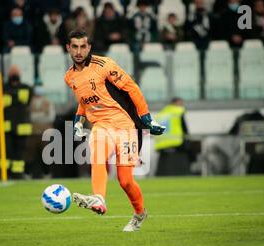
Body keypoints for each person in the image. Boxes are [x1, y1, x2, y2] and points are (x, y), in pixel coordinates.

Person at [63, 30, 165, 232]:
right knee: (97, 155)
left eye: (83, 46)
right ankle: (99, 198)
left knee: (125, 181)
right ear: (68, 48)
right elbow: (84, 102)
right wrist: (78, 119)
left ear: (89, 47)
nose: (79, 51)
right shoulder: (70, 77)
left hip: (126, 125)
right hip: (101, 125)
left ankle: (139, 213)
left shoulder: (104, 65)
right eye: (74, 46)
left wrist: (145, 118)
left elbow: (132, 88)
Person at [1, 65, 33, 179]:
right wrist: (17, 98)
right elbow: (1, 102)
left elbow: (26, 100)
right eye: (12, 72)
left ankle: (18, 173)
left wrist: (10, 98)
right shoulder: (1, 87)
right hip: (6, 126)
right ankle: (5, 173)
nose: (14, 74)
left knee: (20, 151)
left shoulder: (26, 87)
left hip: (22, 126)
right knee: (7, 151)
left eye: (16, 72)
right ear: (8, 74)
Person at [153, 97, 193, 175]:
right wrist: (187, 137)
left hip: (161, 144)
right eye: (180, 103)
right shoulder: (178, 111)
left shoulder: (161, 114)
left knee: (164, 167)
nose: (182, 105)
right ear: (175, 103)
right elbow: (184, 127)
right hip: (176, 143)